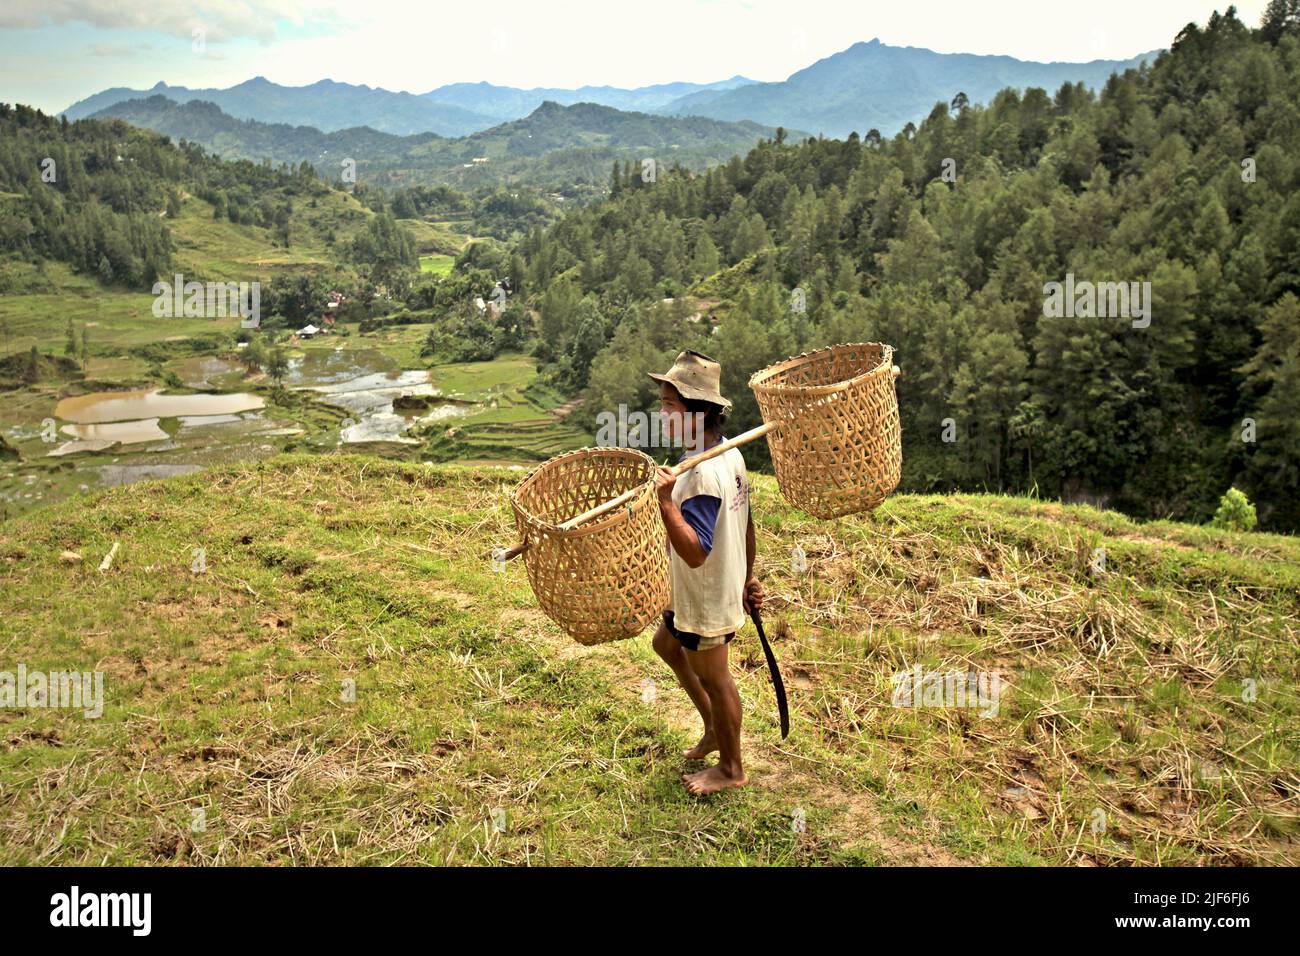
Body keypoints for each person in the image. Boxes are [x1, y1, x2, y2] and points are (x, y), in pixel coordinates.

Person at [647, 349, 762, 796]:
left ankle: (732, 768)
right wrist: (749, 576)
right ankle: (715, 728)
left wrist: (664, 503)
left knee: (716, 677)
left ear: (698, 412)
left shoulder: (701, 477)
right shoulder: (726, 455)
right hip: (708, 587)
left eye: (669, 405)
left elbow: (695, 552)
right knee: (666, 645)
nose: (662, 413)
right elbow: (746, 523)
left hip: (707, 592)